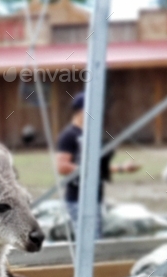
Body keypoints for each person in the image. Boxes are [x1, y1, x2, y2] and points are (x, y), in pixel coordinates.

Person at [55, 93, 138, 239]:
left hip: (95, 197)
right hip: (78, 199)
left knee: (96, 239)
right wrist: (87, 170)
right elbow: (62, 166)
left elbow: (96, 168)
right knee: (88, 240)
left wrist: (122, 168)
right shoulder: (69, 135)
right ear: (82, 110)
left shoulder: (90, 134)